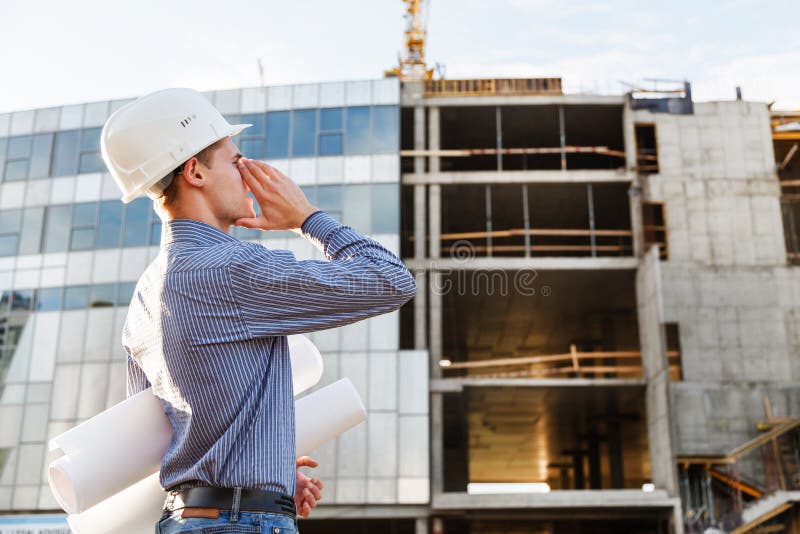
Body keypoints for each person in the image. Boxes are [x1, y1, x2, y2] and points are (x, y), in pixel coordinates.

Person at [101, 88, 417, 533]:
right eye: (237, 162)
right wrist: (307, 217)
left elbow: (159, 431)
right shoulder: (228, 266)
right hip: (239, 523)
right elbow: (391, 280)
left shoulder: (146, 294)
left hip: (189, 519)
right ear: (195, 171)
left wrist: (259, 469)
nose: (249, 176)